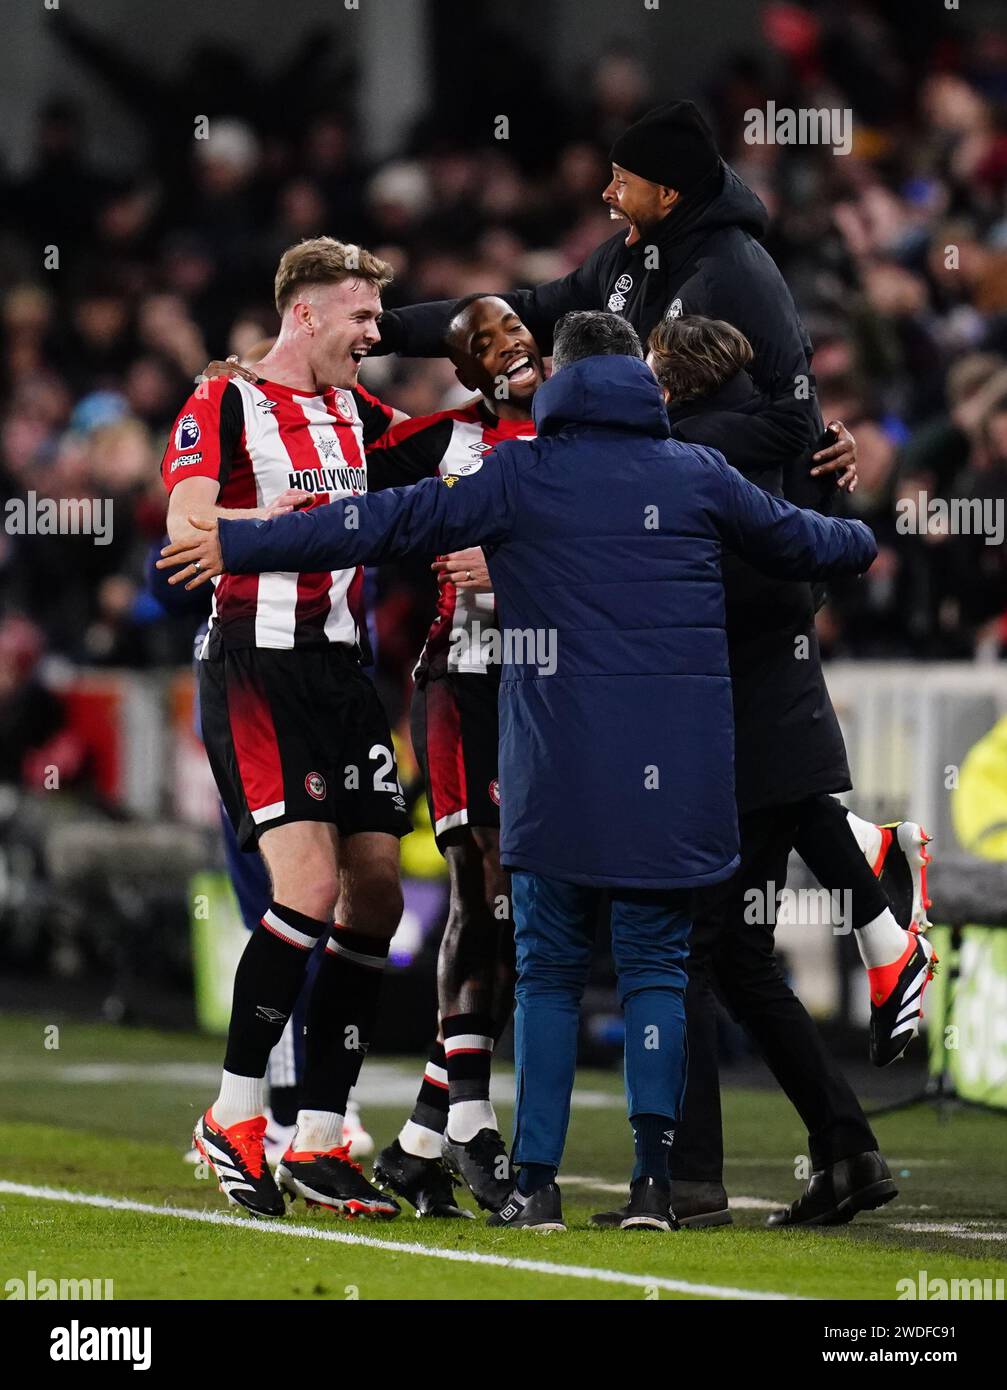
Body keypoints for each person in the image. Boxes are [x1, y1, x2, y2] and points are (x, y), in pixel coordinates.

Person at [159, 310, 877, 1232]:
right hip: (677, 776)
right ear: (643, 385)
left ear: (564, 378)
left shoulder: (517, 475)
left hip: (554, 772)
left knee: (541, 972)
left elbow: (376, 521)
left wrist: (242, 542)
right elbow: (828, 550)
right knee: (657, 970)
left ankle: (530, 1183)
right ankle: (652, 1187)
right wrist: (844, 498)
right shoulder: (697, 473)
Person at [589, 316, 936, 1233]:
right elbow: (822, 563)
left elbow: (754, 578)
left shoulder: (698, 454)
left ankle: (693, 1180)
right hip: (784, 724)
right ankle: (847, 1146)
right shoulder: (796, 437)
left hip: (735, 732)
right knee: (735, 956)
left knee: (691, 956)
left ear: (675, 380)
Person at [161, 235, 412, 1220]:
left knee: (378, 897)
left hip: (344, 674)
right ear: (302, 312)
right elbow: (188, 529)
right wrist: (284, 521)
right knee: (304, 883)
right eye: (360, 315)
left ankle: (318, 1135)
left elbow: (443, 446)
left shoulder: (358, 409)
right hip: (254, 668)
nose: (375, 333)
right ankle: (233, 1113)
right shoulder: (221, 402)